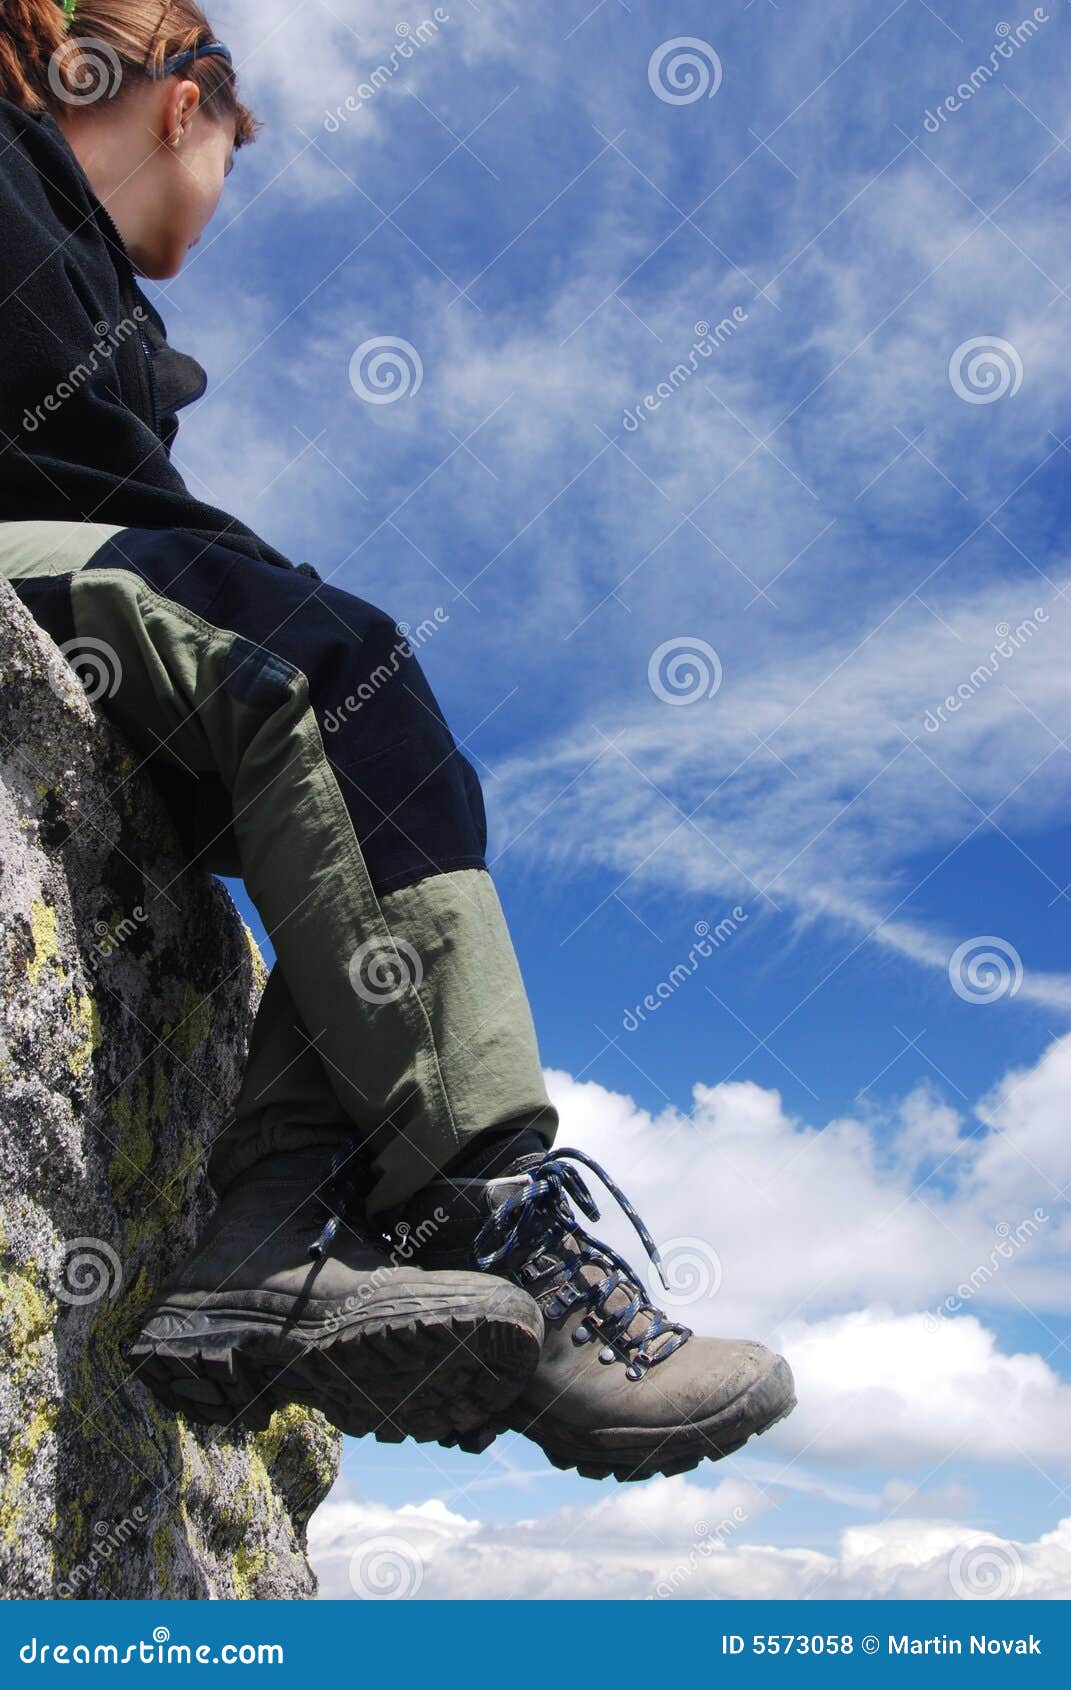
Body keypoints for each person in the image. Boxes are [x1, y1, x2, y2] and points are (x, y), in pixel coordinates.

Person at [0, 0, 795, 1483]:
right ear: (188, 108)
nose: (225, 200)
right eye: (235, 158)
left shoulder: (100, 288)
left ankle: (282, 1222)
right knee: (329, 658)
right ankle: (486, 1216)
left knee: (392, 751)